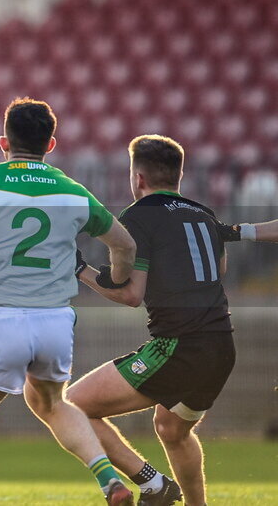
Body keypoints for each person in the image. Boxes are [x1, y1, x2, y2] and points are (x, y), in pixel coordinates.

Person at [0, 98, 137, 506]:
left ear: (3, 142)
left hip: (0, 318)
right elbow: (125, 245)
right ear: (51, 144)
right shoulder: (72, 191)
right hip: (54, 321)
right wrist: (113, 279)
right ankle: (108, 482)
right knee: (53, 403)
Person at [67, 135, 240, 506]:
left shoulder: (138, 217)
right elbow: (218, 270)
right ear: (179, 175)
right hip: (222, 345)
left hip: (179, 345)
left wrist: (80, 269)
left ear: (138, 177)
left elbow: (131, 295)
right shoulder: (203, 214)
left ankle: (153, 484)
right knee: (171, 429)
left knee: (74, 405)